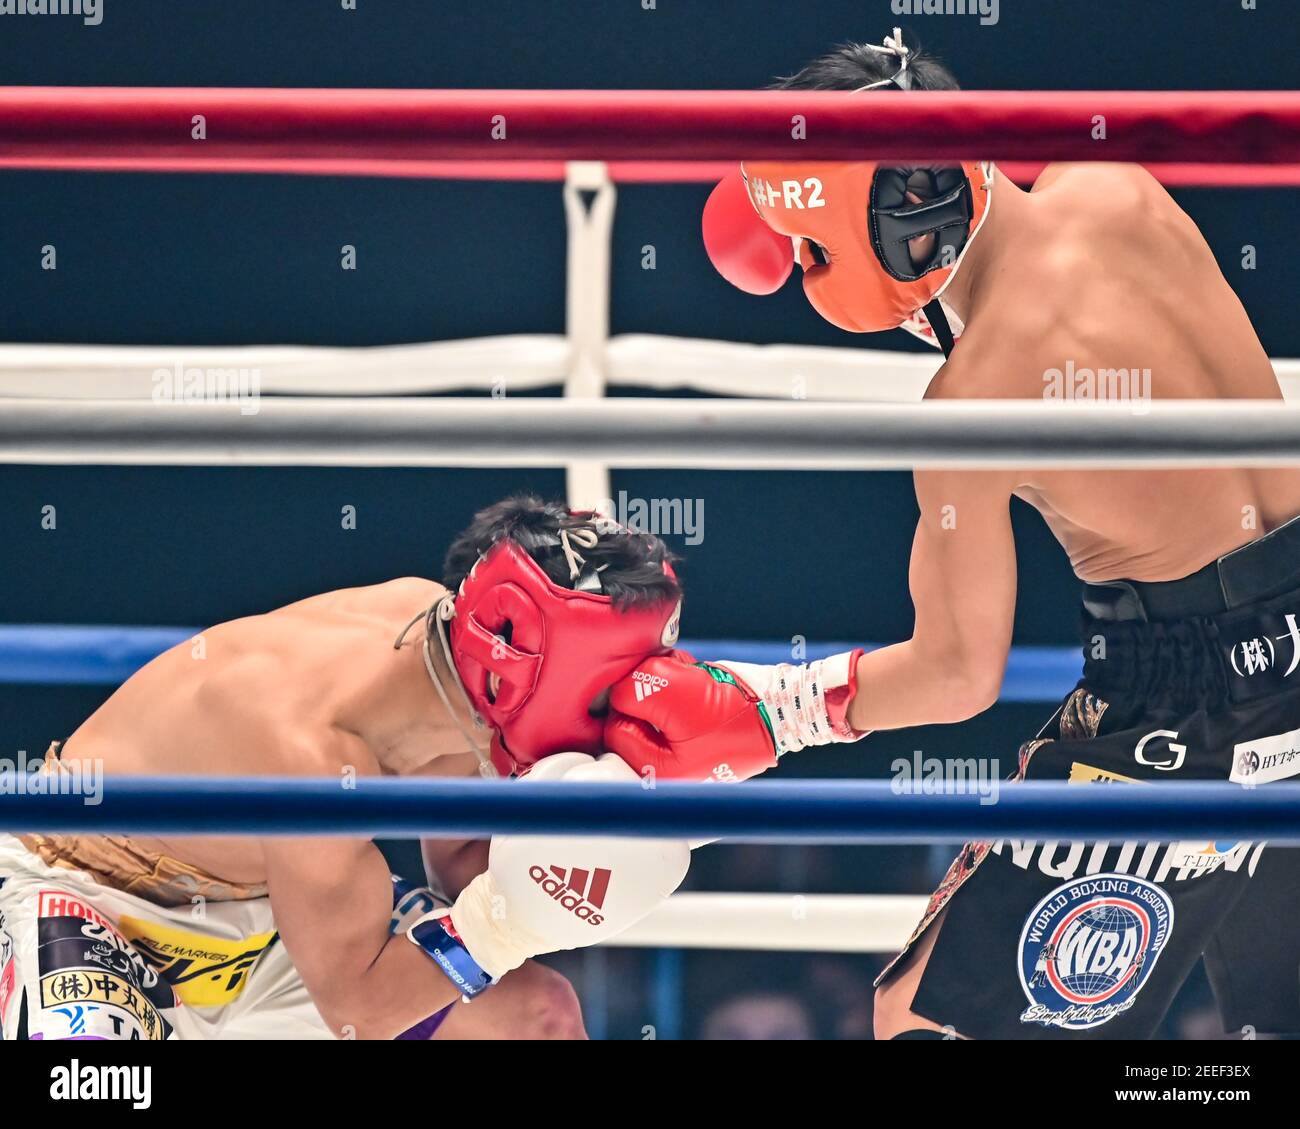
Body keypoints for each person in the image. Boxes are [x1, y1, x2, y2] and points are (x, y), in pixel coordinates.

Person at [602, 29, 1300, 1039]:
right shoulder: (1115, 185)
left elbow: (959, 671)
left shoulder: (972, 403)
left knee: (922, 1019)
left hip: (1188, 709)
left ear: (861, 241)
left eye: (811, 253)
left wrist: (772, 705)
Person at [0, 496, 690, 1040]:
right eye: (606, 694)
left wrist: (587, 865)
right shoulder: (308, 750)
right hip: (96, 898)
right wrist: (508, 923)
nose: (614, 717)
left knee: (535, 1018)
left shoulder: (450, 657)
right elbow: (360, 1009)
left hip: (273, 911)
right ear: (522, 674)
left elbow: (459, 863)